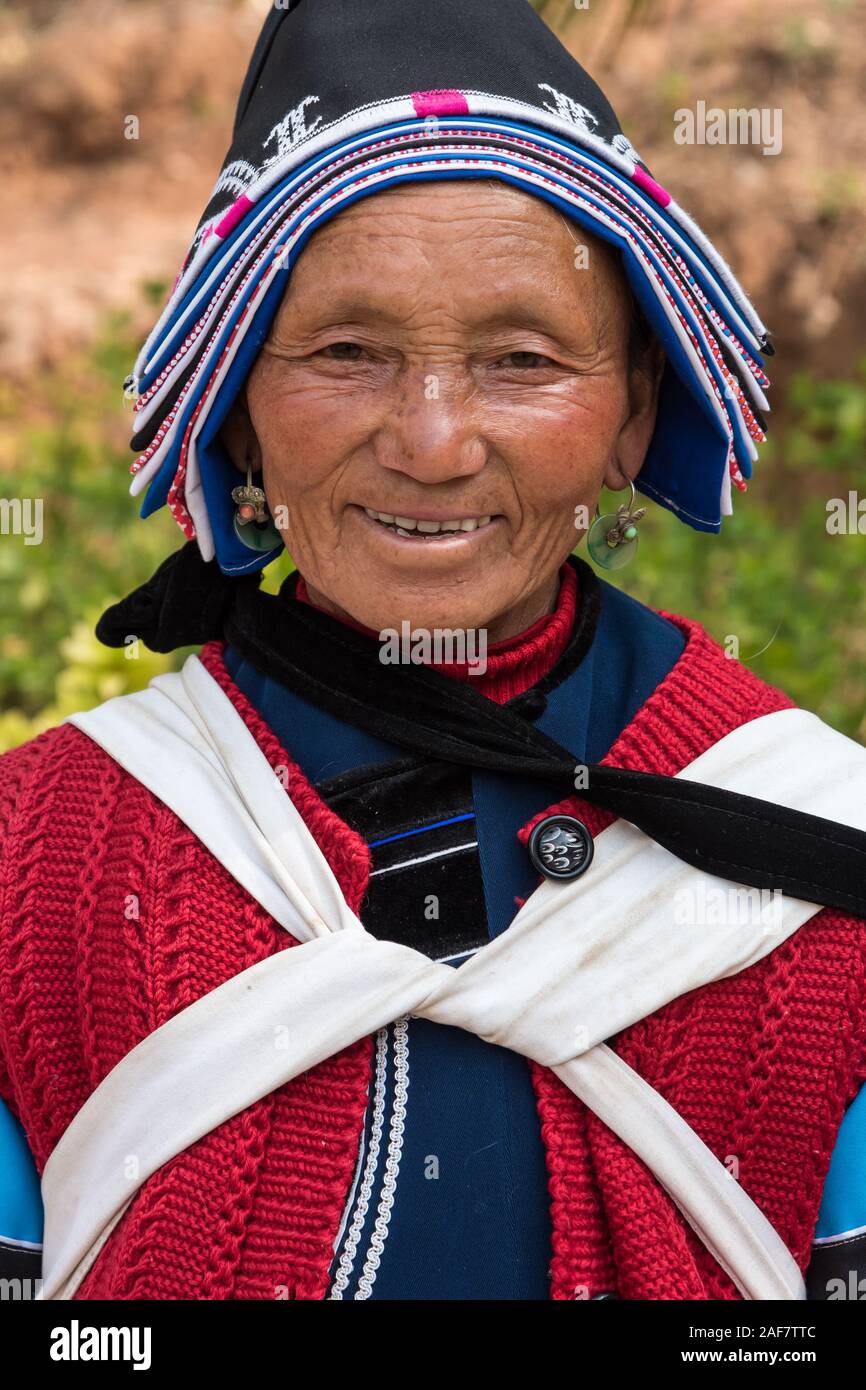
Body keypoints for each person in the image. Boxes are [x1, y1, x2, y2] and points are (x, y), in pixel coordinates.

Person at [2, 0, 865, 1303]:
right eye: (346, 351)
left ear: (634, 411)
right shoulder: (44, 857)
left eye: (520, 358)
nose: (433, 440)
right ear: (238, 409)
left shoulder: (810, 845)